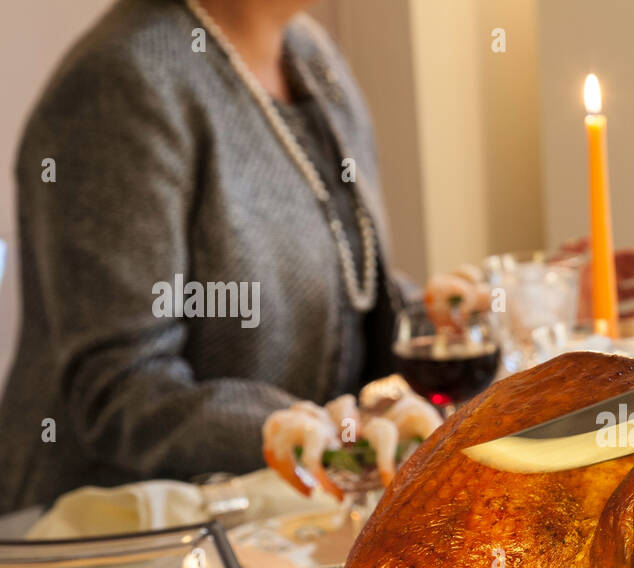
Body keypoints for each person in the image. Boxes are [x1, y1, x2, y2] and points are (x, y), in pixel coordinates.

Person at [0, 0, 403, 512]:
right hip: (117, 543)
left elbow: (349, 270)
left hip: (274, 513)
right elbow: (120, 387)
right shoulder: (123, 79)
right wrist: (286, 429)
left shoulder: (309, 52)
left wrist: (432, 324)